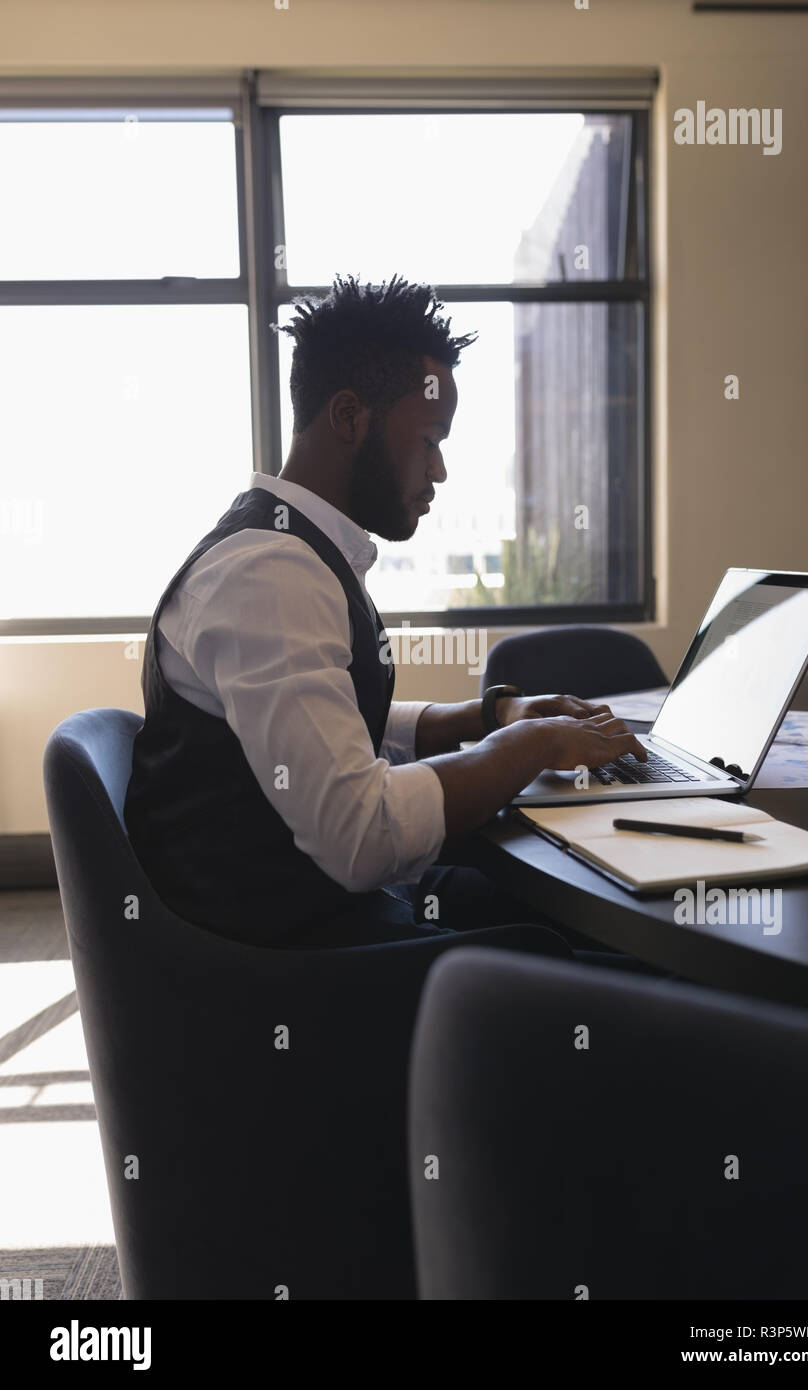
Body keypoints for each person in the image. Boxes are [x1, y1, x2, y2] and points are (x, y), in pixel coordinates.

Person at [124, 273, 651, 965]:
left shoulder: (281, 548)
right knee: (621, 958)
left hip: (300, 925)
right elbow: (362, 835)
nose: (440, 469)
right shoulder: (270, 575)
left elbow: (325, 721)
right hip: (292, 973)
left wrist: (486, 719)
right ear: (350, 417)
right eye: (430, 438)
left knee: (551, 906)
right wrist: (537, 745)